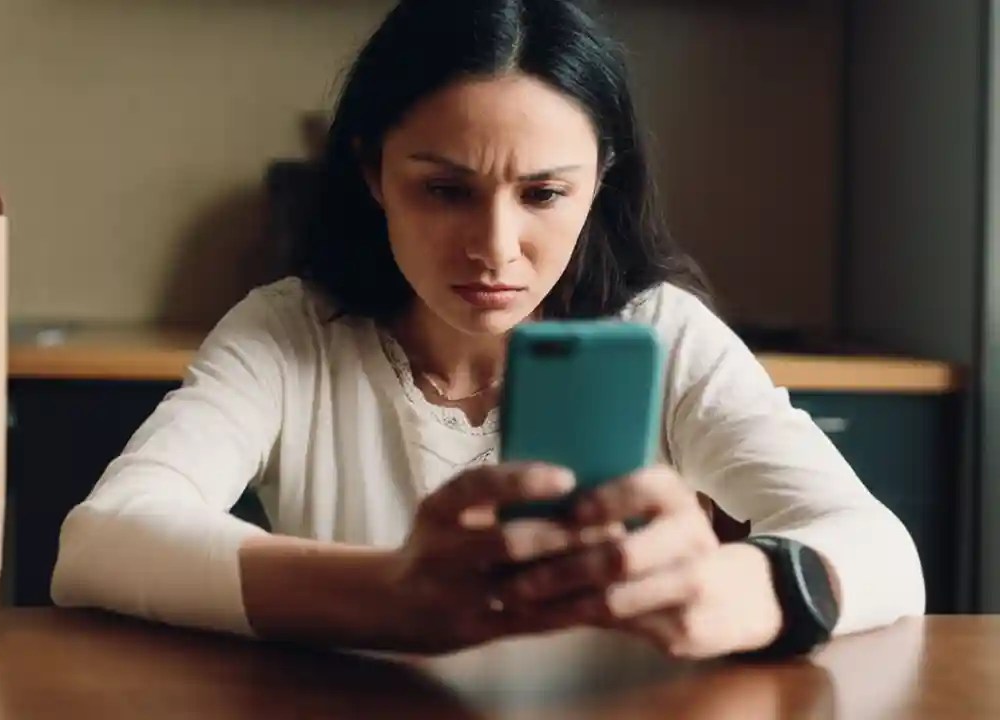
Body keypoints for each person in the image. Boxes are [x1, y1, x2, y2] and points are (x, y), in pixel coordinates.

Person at [52, 0, 924, 658]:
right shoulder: (290, 334)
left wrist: (747, 587)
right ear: (372, 172)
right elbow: (102, 540)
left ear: (599, 182)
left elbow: (883, 551)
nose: (495, 249)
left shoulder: (664, 336)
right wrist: (391, 593)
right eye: (445, 190)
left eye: (544, 193)